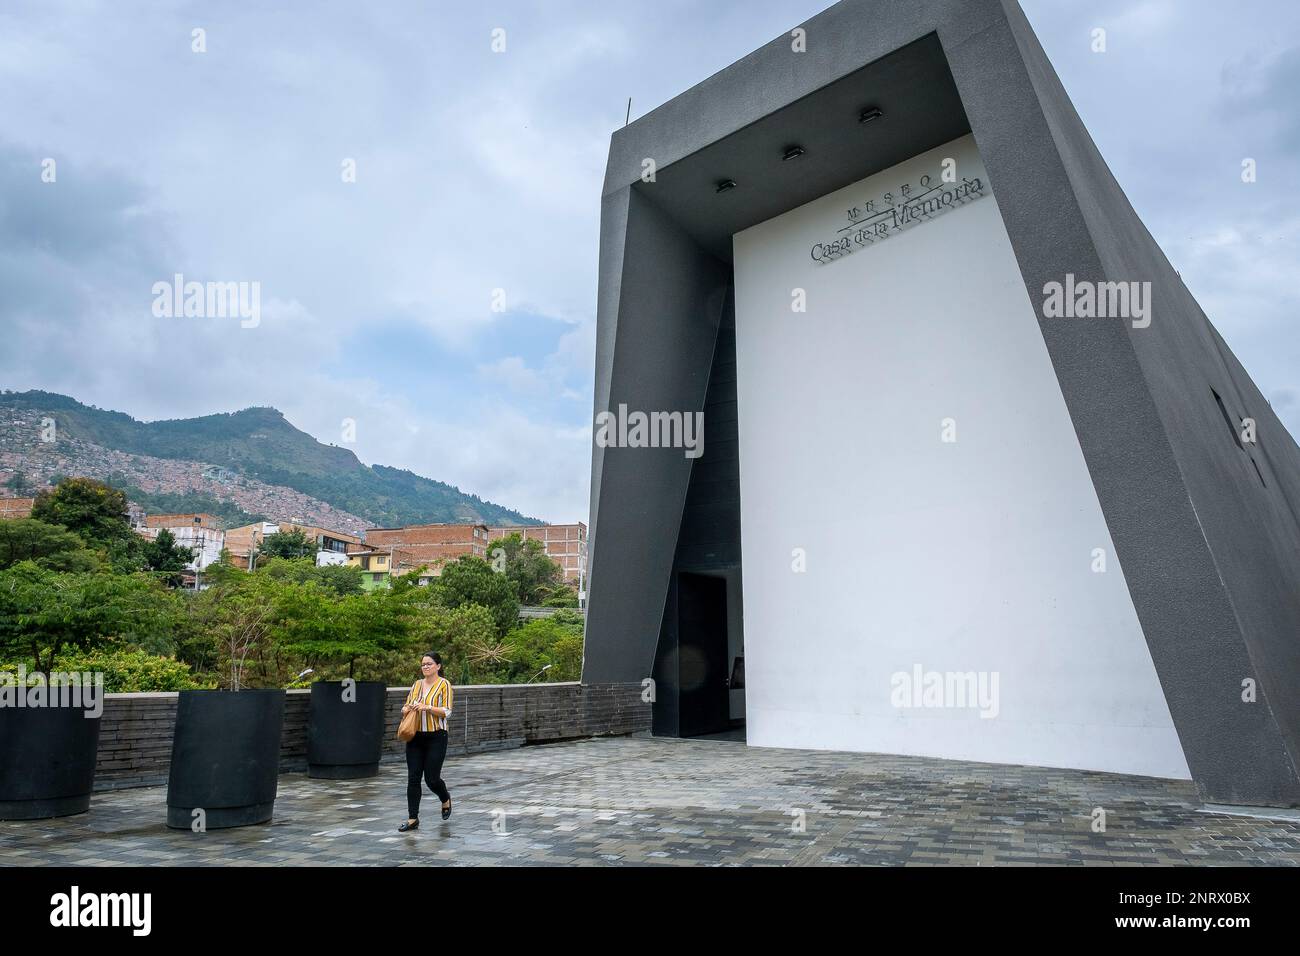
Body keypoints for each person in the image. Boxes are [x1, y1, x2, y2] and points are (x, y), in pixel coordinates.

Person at [398, 652, 453, 831]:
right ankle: (413, 818)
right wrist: (406, 708)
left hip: (436, 736)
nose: (426, 667)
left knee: (432, 779)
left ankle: (445, 797)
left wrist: (427, 707)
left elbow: (447, 712)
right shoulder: (416, 685)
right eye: (423, 664)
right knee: (413, 778)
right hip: (415, 736)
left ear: (438, 666)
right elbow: (407, 705)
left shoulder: (444, 684)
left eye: (429, 664)